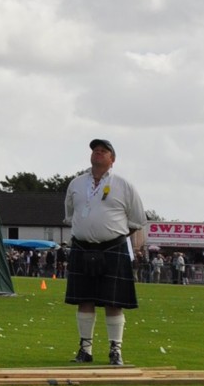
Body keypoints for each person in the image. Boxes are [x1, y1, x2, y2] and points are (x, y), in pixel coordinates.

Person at [63, 138, 147, 366]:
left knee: (113, 302)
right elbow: (69, 215)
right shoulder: (76, 184)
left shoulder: (124, 185)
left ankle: (115, 351)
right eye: (95, 150)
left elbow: (137, 220)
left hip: (112, 248)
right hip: (82, 246)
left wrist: (113, 237)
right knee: (84, 300)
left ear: (112, 159)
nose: (98, 153)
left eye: (103, 151)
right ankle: (85, 350)